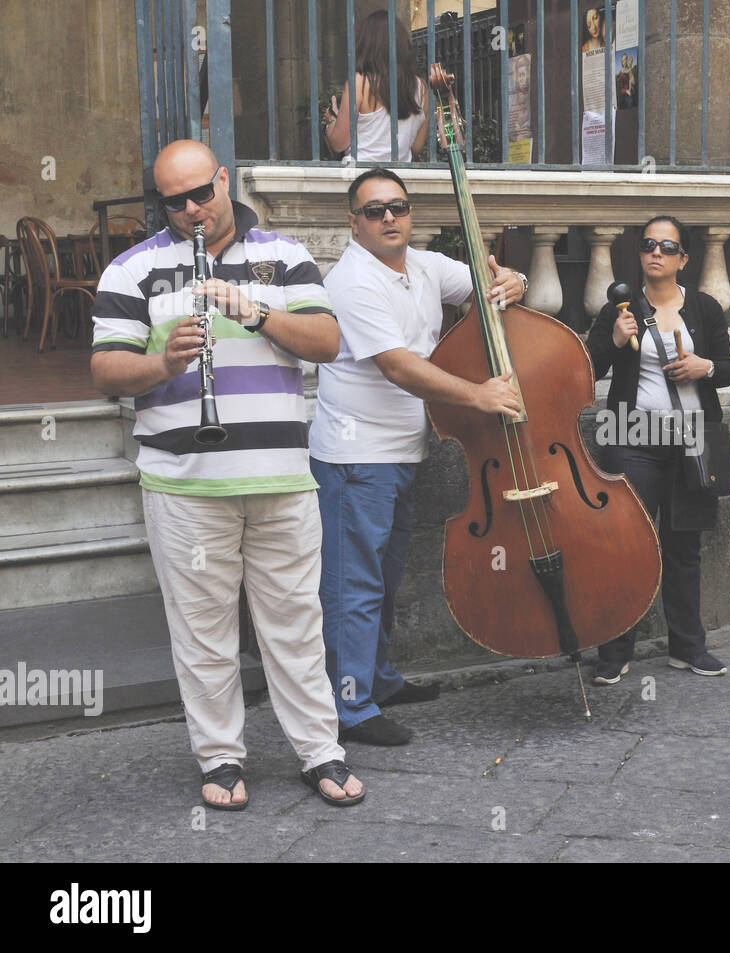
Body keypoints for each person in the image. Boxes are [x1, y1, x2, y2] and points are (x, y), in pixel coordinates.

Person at [89, 139, 364, 809]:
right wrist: (163, 365)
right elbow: (105, 371)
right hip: (183, 484)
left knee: (296, 622)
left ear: (223, 180)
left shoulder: (286, 255)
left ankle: (320, 750)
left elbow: (328, 342)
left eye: (201, 193)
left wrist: (256, 311)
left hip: (280, 478)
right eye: (174, 200)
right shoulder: (132, 269)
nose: (191, 210)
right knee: (202, 629)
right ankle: (219, 759)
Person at [309, 168, 527, 745]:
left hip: (403, 450)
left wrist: (511, 281)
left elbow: (486, 279)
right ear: (352, 221)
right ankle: (349, 708)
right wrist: (479, 395)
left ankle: (377, 679)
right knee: (353, 585)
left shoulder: (425, 265)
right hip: (356, 456)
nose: (389, 218)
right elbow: (398, 365)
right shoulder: (352, 281)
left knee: (383, 576)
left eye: (398, 208)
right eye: (375, 210)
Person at [585, 216, 730, 684]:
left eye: (667, 248)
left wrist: (702, 365)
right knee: (625, 546)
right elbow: (587, 368)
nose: (656, 253)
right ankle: (615, 652)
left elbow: (727, 370)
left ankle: (688, 647)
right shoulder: (620, 309)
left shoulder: (706, 308)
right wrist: (613, 339)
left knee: (683, 546)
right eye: (649, 244)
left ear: (683, 260)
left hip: (692, 437)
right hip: (630, 434)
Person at [325, 9, 429, 163]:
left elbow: (338, 144)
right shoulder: (421, 88)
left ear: (366, 44)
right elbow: (416, 147)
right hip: (399, 178)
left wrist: (331, 120)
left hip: (362, 176)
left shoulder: (360, 82)